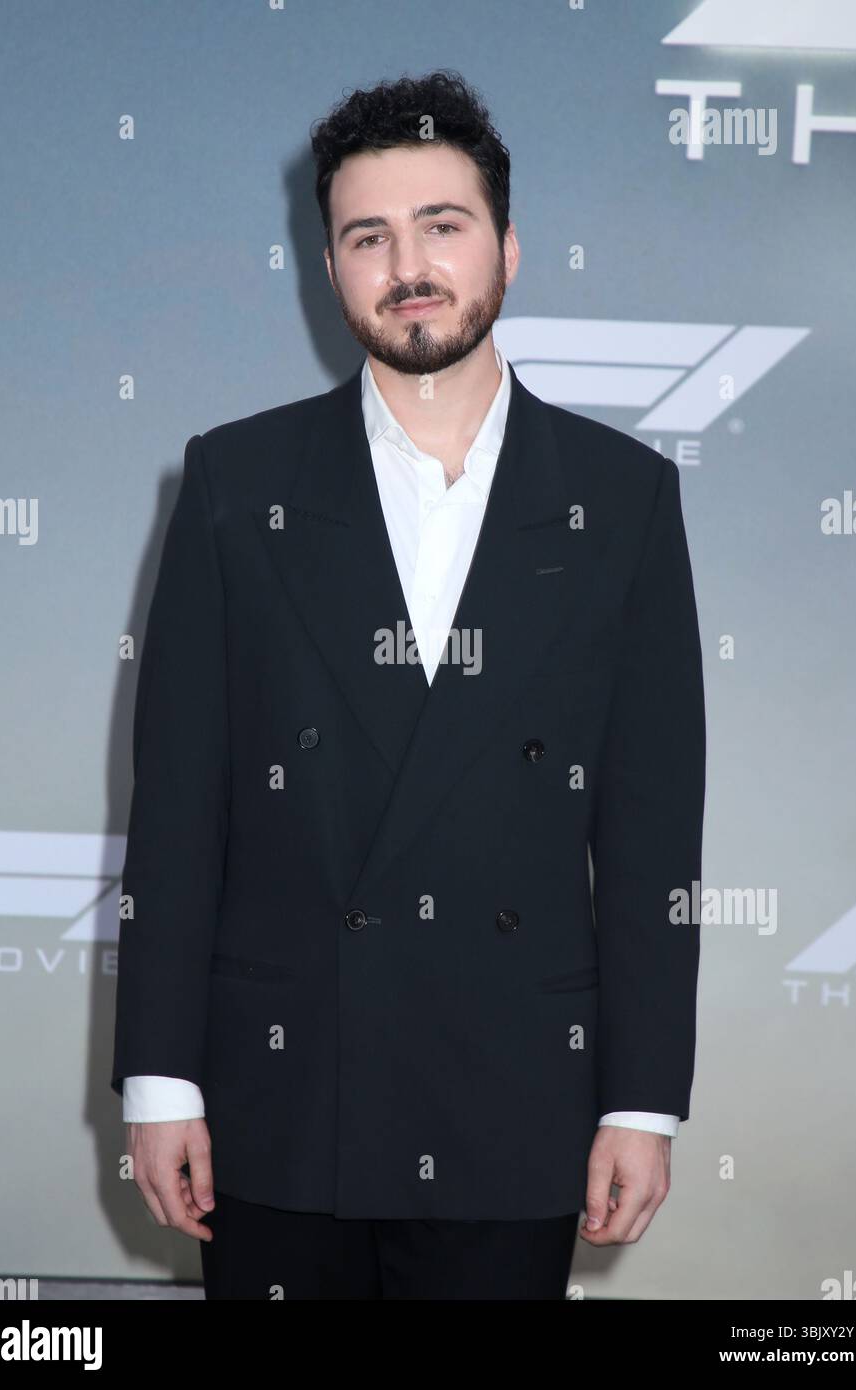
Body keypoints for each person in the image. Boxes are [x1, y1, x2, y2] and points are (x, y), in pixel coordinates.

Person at [110, 69, 706, 1301]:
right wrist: (159, 1079)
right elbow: (178, 808)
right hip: (282, 1099)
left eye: (442, 225)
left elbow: (650, 832)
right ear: (327, 270)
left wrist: (642, 1098)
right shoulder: (235, 482)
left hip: (514, 1096)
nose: (408, 263)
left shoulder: (625, 499)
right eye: (367, 236)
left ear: (507, 249)